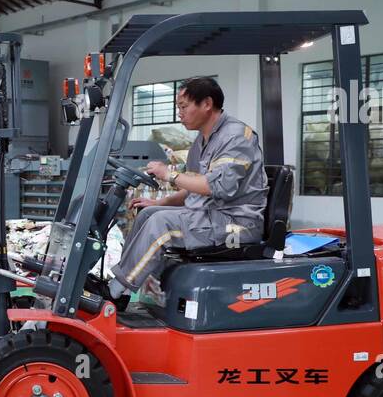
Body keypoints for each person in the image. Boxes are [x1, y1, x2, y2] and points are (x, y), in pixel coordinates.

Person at [110, 78, 267, 302]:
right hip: (211, 217)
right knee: (148, 215)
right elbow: (193, 187)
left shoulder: (236, 136)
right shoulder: (201, 141)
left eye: (183, 107)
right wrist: (159, 203)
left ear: (206, 104)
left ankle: (117, 290)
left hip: (236, 224)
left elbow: (215, 186)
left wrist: (169, 174)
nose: (180, 114)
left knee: (161, 224)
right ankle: (153, 287)